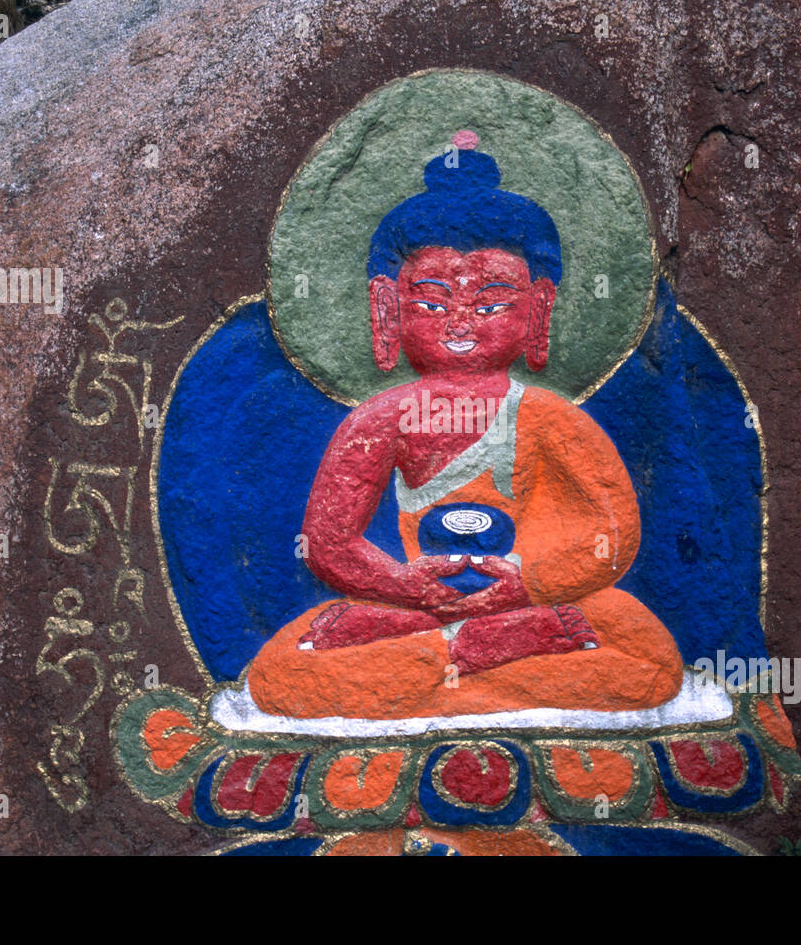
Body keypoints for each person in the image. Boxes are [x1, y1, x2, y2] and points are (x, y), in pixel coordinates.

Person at [247, 132, 683, 719]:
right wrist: (409, 586)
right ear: (387, 306)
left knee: (650, 658)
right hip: (419, 604)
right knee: (281, 673)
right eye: (429, 302)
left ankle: (442, 676)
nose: (459, 320)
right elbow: (330, 543)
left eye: (492, 301)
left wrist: (526, 583)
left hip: (529, 601)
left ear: (539, 306)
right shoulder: (380, 419)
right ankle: (473, 666)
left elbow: (613, 533)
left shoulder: (550, 416)